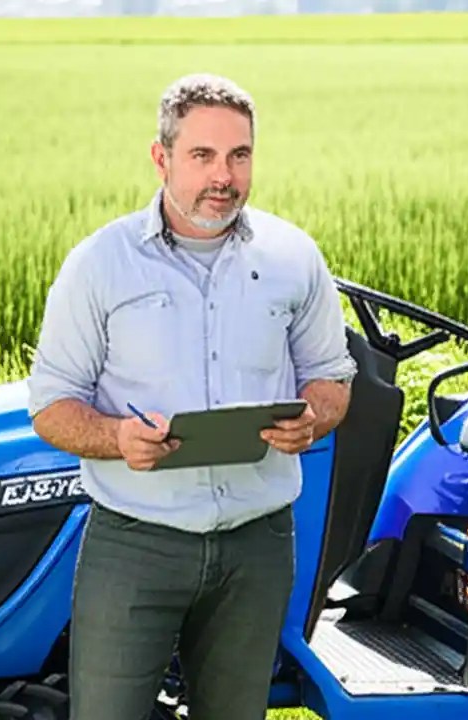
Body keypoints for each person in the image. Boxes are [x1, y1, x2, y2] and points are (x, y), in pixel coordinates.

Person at [25, 73, 357, 720]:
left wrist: (313, 418)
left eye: (240, 155)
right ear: (162, 157)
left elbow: (331, 376)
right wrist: (116, 439)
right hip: (134, 545)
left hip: (257, 548)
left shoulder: (294, 257)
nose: (223, 176)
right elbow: (52, 406)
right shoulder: (100, 264)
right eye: (203, 155)